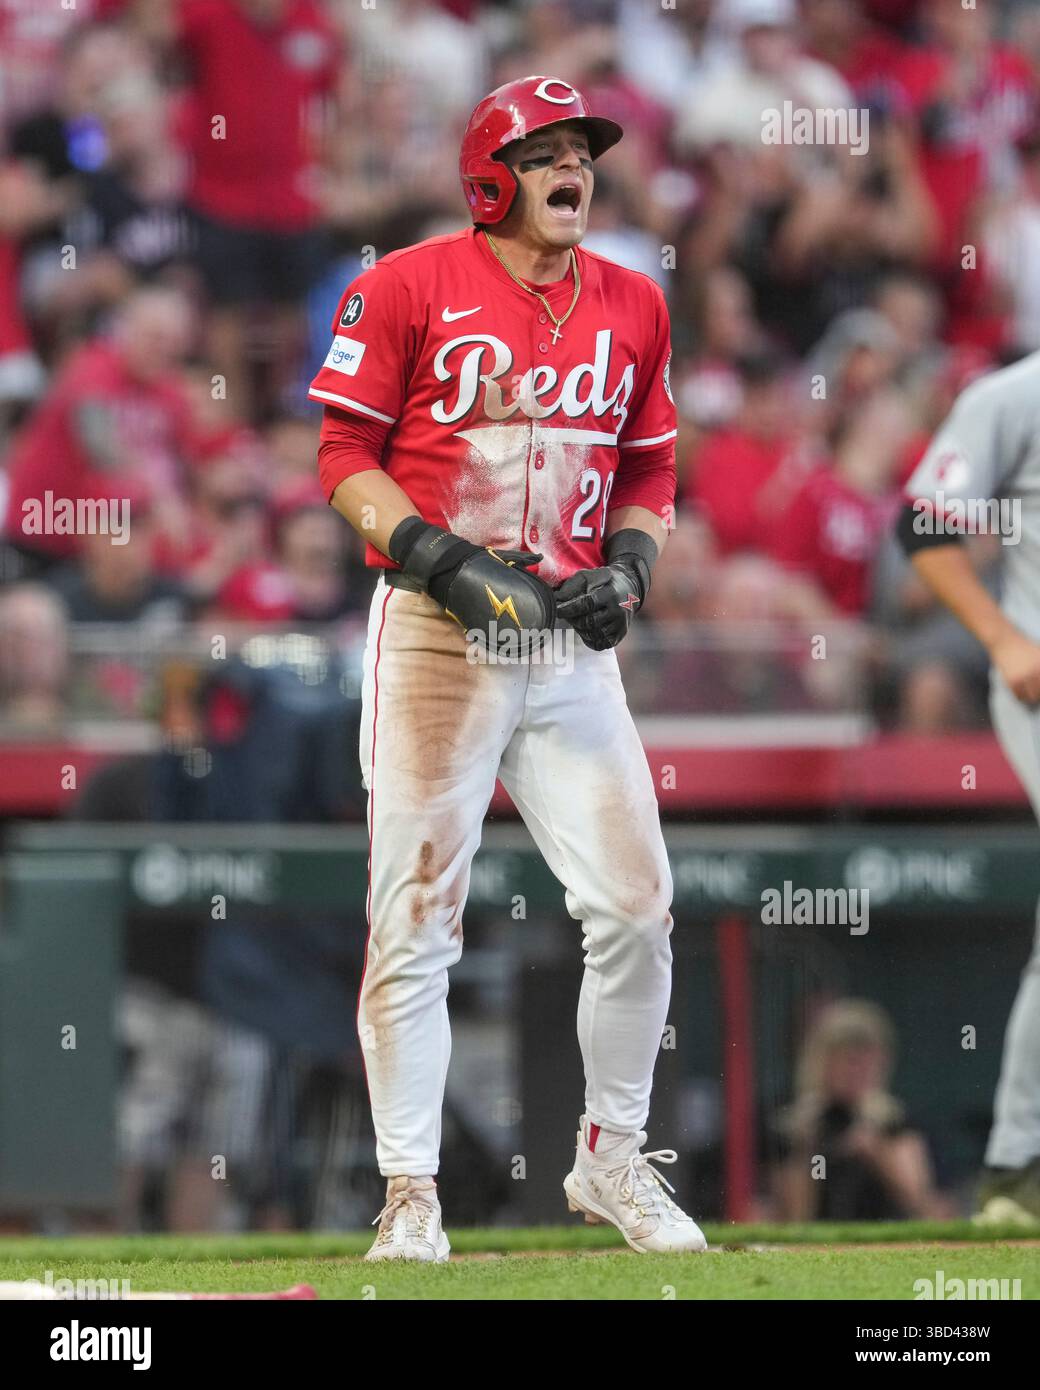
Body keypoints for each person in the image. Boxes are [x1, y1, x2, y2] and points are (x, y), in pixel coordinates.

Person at [309, 75, 706, 1261]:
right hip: (438, 631)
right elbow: (339, 454)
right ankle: (410, 1192)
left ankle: (611, 1159)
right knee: (417, 915)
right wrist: (434, 556)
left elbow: (648, 468)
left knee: (637, 907)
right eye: (542, 151)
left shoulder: (634, 300)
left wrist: (629, 569)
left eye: (579, 147)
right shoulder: (405, 283)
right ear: (491, 177)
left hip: (566, 648)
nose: (569, 166)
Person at [898, 352, 1040, 1224]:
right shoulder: (1014, 395)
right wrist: (1002, 639)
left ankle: (1015, 1164)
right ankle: (1018, 1162)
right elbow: (922, 525)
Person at [774, 1000, 946, 1221]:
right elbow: (793, 1218)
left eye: (866, 1062)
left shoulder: (894, 1121)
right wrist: (807, 1148)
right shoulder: (797, 1124)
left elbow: (923, 1204)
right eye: (848, 1061)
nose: (857, 1072)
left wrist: (876, 1151)